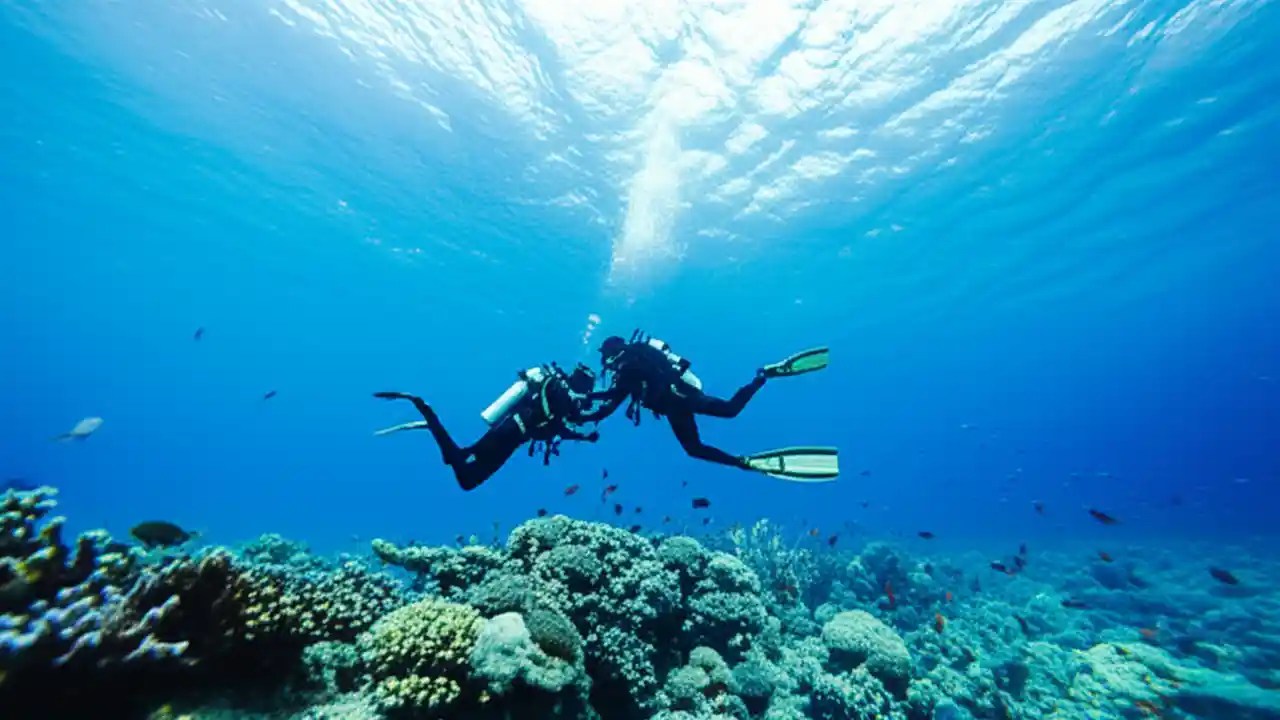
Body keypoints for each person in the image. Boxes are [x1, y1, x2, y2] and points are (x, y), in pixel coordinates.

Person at [584, 331, 839, 481]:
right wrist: (587, 411)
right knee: (724, 416)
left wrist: (585, 407)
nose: (604, 361)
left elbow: (613, 400)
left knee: (708, 434)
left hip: (679, 400)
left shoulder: (630, 364)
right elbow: (614, 400)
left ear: (612, 351)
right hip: (677, 403)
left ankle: (742, 460)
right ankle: (762, 378)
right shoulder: (634, 362)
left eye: (604, 355)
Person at [374, 363, 600, 491]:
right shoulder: (561, 396)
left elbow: (552, 426)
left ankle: (430, 421)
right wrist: (583, 437)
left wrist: (581, 435)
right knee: (467, 478)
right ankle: (426, 412)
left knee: (462, 463)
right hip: (510, 434)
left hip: (510, 431)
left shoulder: (555, 390)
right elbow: (557, 428)